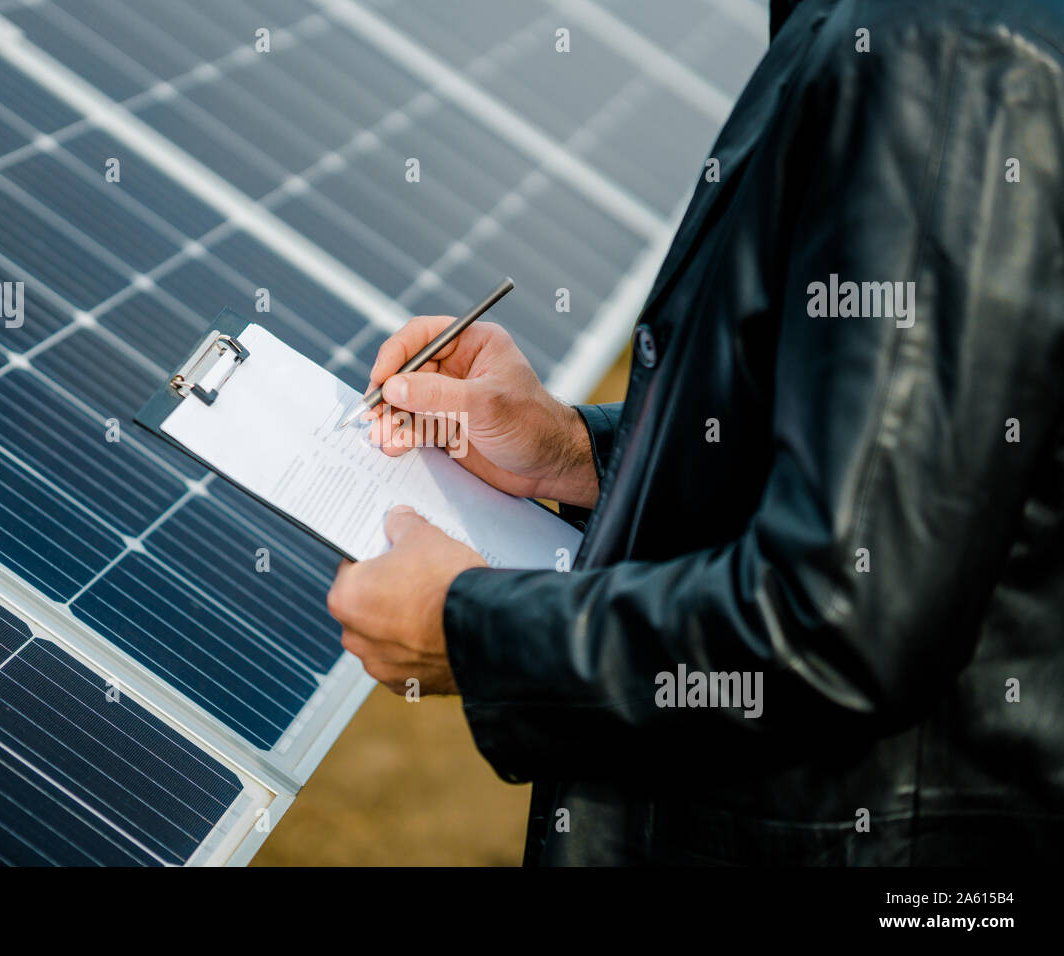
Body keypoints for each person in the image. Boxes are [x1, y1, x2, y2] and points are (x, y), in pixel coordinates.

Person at [326, 0, 1064, 865]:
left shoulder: (944, 59)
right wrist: (577, 452)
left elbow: (834, 623)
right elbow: (892, 467)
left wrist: (473, 633)